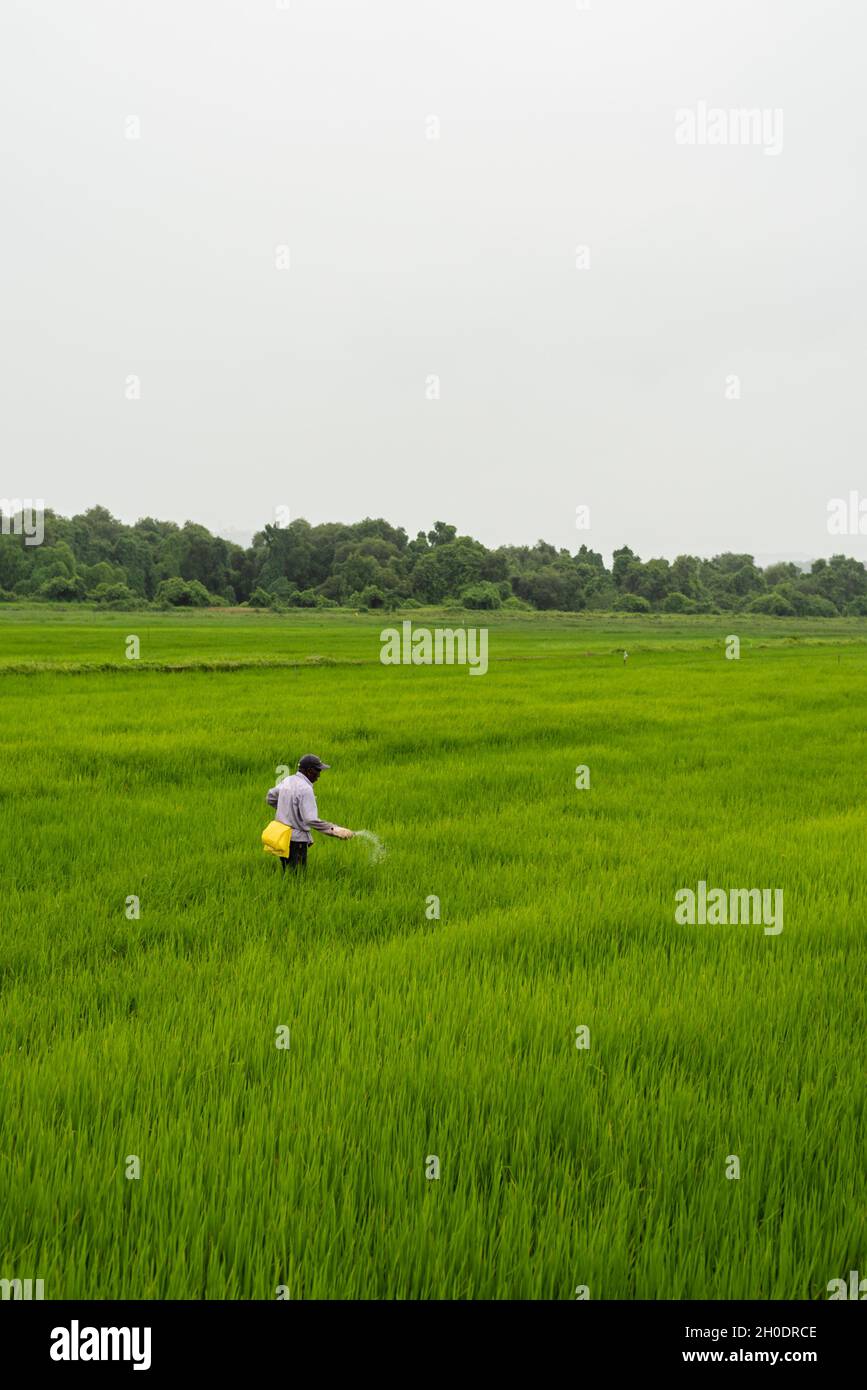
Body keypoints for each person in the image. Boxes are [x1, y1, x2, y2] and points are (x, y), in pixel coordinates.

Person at [265, 754, 353, 873]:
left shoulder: (288, 780)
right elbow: (310, 819)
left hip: (282, 838)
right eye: (318, 771)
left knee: (287, 872)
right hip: (297, 842)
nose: (319, 776)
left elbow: (270, 797)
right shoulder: (305, 789)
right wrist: (334, 830)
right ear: (309, 771)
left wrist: (287, 810)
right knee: (297, 877)